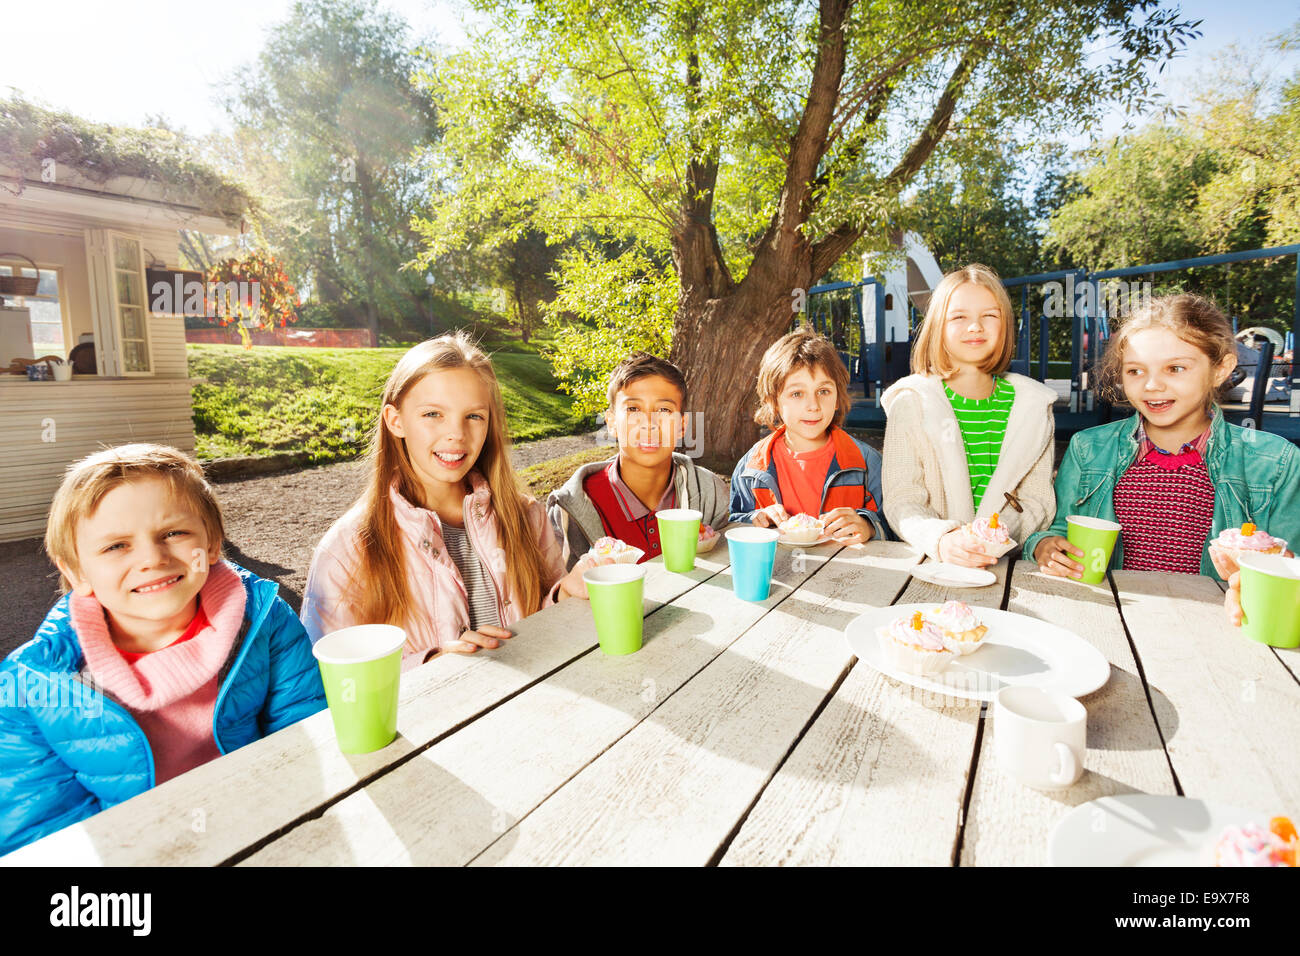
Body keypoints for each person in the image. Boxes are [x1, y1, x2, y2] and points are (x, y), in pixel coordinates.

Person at [0, 444, 325, 855]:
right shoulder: (33, 685)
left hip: (266, 829)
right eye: (116, 546)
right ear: (77, 571)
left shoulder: (264, 619)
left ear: (211, 544)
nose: (152, 558)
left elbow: (305, 736)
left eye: (173, 533)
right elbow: (40, 834)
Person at [301, 332, 602, 669]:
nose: (456, 434)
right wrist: (433, 664)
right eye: (433, 414)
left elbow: (544, 624)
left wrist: (563, 595)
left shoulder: (525, 516)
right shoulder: (346, 549)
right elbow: (326, 682)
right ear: (395, 420)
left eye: (474, 416)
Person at [1026, 294, 1300, 583]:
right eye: (1135, 371)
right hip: (1111, 617)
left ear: (1220, 369)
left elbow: (1290, 566)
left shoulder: (1277, 462)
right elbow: (1058, 530)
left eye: (1175, 368)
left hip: (1212, 622)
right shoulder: (1087, 448)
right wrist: (1043, 546)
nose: (1152, 385)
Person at [881, 264, 1057, 565]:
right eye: (959, 317)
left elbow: (1037, 499)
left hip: (1006, 569)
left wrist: (993, 536)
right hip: (932, 566)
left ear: (1004, 326)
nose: (975, 327)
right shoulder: (911, 402)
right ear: (938, 326)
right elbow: (903, 500)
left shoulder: (1035, 407)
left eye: (989, 316)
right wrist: (942, 539)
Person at [548, 352, 731, 570]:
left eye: (663, 410)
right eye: (633, 409)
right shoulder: (571, 509)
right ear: (612, 422)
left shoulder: (711, 495)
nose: (649, 424)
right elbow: (558, 596)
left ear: (682, 425)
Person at [730, 329, 887, 544]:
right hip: (778, 574)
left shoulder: (868, 463)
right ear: (774, 401)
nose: (813, 406)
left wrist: (870, 528)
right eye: (797, 393)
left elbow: (896, 527)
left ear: (838, 397)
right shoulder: (750, 468)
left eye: (823, 391)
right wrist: (755, 519)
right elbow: (734, 523)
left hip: (849, 575)